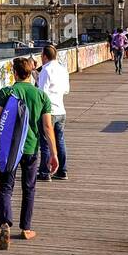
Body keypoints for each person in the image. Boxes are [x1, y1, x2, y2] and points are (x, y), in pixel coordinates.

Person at [0, 57, 59, 250]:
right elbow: (47, 127)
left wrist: (9, 125)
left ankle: (5, 223)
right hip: (30, 147)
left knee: (6, 187)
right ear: (31, 72)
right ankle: (26, 228)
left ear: (14, 72)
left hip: (10, 147)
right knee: (28, 188)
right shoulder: (41, 95)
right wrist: (53, 154)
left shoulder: (7, 92)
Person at [36, 44, 70, 182]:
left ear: (44, 56)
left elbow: (42, 93)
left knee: (45, 142)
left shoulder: (46, 70)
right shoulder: (63, 69)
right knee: (60, 141)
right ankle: (62, 171)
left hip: (48, 112)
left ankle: (45, 171)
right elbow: (67, 90)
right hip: (61, 110)